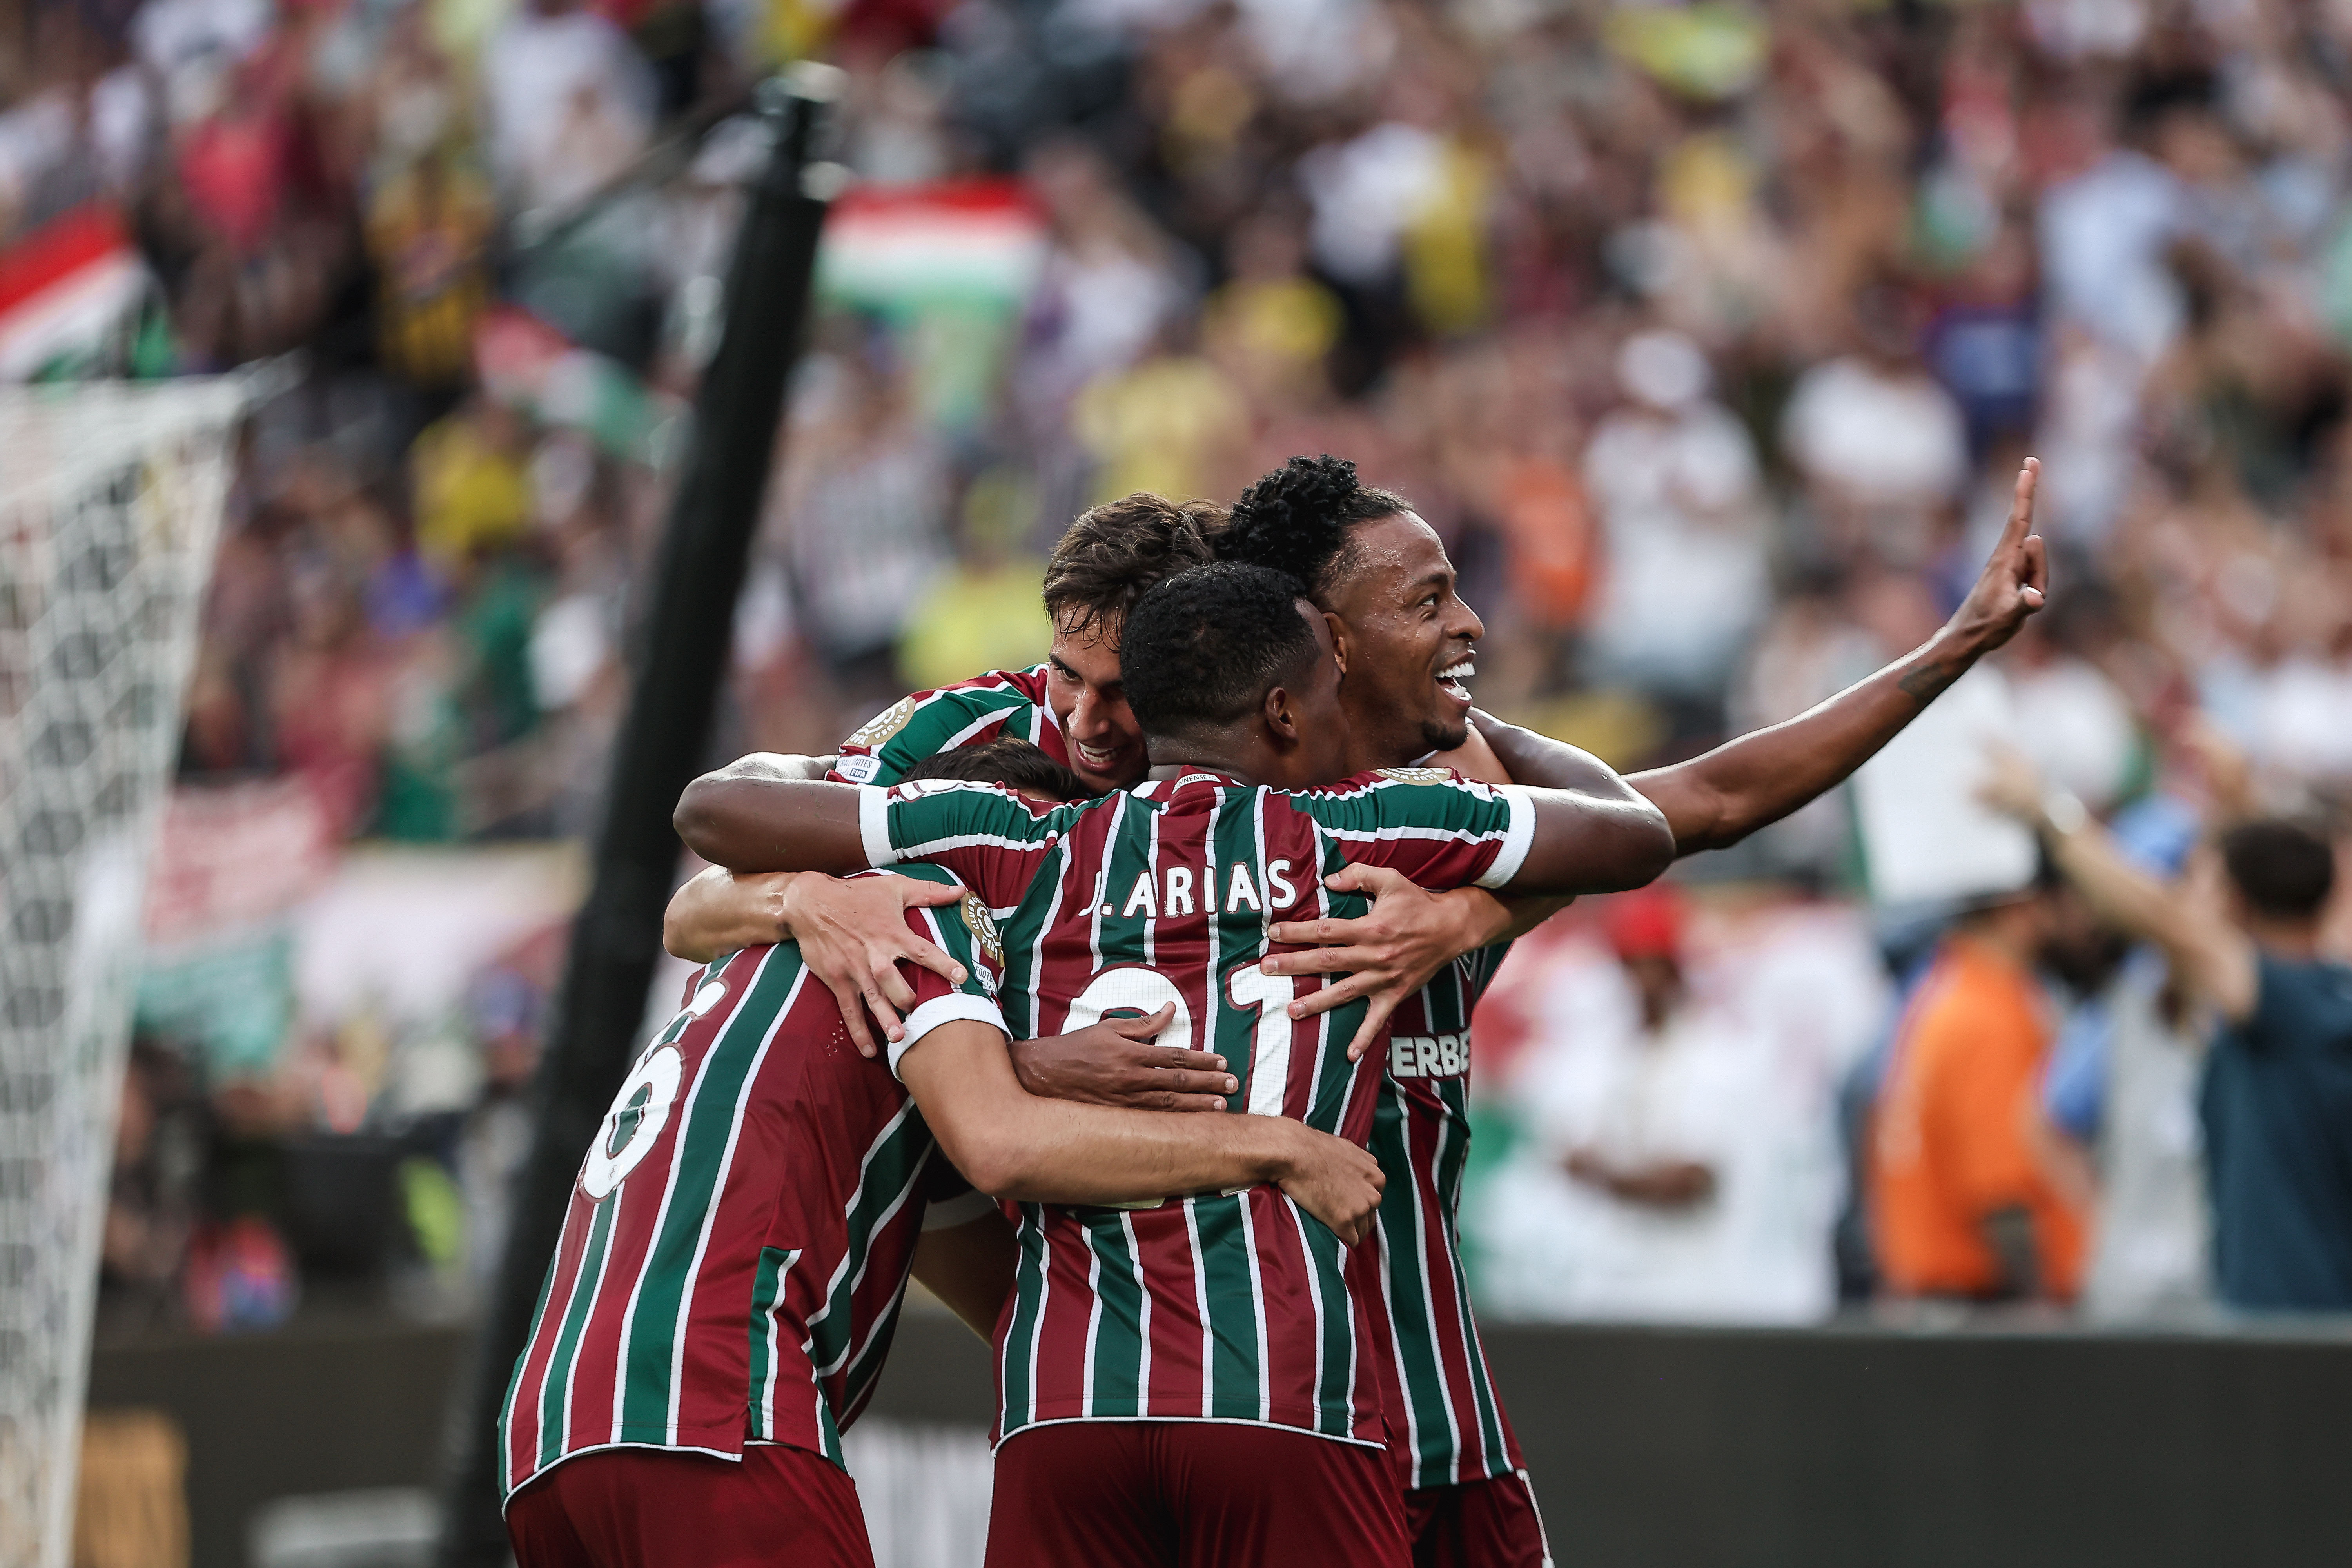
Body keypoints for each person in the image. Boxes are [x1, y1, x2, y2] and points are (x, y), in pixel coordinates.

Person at [671, 451, 2051, 1565]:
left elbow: (1682, 807)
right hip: (1291, 1422)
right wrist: (824, 918)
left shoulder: (1417, 831)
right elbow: (1659, 822)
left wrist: (1474, 906)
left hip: (1389, 1425)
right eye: (1427, 600)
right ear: (1310, 658)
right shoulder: (1305, 833)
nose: (1469, 629)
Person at [671, 563, 1678, 1568]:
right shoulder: (1359, 825)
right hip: (1277, 1390)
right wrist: (1478, 742)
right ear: (1283, 710)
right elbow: (1636, 830)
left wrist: (806, 889)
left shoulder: (1022, 840)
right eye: (1332, 694)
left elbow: (715, 814)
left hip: (1060, 1412)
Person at [499, 742, 1387, 1568]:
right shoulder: (927, 904)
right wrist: (1276, 1145)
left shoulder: (765, 952)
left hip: (553, 1428)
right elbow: (1000, 1142)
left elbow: (1008, 1284)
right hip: (714, 1406)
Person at [1985, 759, 2352, 1312]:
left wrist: (2047, 812)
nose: (2190, 901)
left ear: (2235, 904)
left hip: (2294, 1324)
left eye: (2205, 884)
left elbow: (2158, 918)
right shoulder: (2327, 993)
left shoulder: (2286, 1002)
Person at [1867, 878, 2090, 1305]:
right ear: (2020, 910)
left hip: (1931, 1291)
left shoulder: (1939, 991)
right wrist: (2038, 1309)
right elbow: (2003, 1195)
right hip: (1980, 1298)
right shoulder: (1990, 1016)